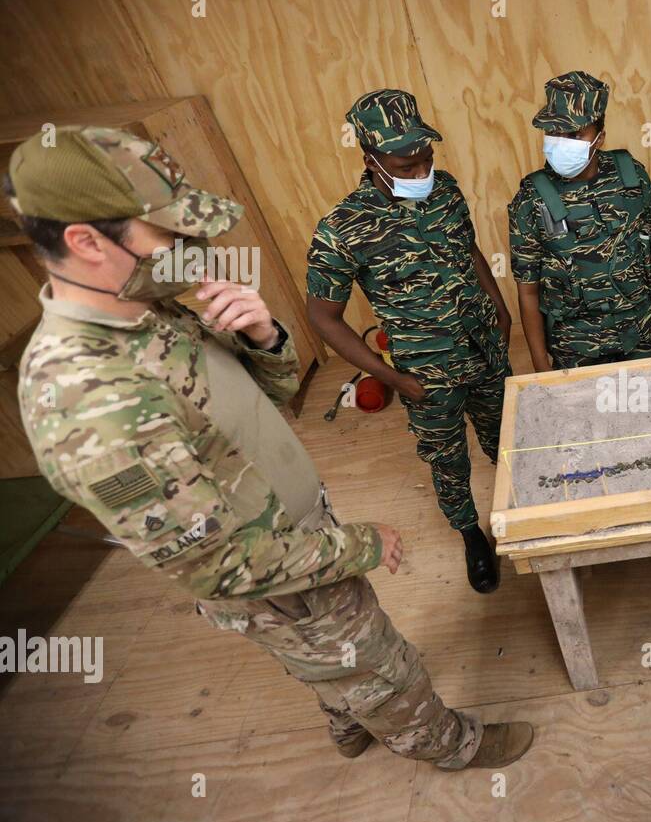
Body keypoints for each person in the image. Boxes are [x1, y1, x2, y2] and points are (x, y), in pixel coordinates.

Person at [8, 126, 532, 770]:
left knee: (328, 664)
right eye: (171, 235)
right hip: (282, 575)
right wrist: (362, 544)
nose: (194, 250)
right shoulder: (85, 399)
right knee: (380, 666)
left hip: (298, 529)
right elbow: (217, 565)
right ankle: (452, 746)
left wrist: (261, 335)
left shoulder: (151, 311)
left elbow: (271, 397)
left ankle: (346, 722)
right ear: (86, 242)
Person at [306, 90, 511, 593]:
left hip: (485, 348)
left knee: (507, 438)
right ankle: (471, 538)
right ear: (372, 159)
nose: (422, 172)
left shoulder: (445, 192)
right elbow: (324, 318)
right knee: (446, 458)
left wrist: (500, 308)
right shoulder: (341, 230)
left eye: (427, 158)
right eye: (407, 162)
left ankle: (521, 513)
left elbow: (470, 251)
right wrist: (391, 377)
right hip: (425, 373)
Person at [508, 71, 651, 371]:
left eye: (575, 134)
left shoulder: (631, 175)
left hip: (642, 335)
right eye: (554, 133)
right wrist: (540, 365)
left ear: (600, 137)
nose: (561, 142)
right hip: (577, 347)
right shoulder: (531, 199)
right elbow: (528, 289)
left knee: (650, 409)